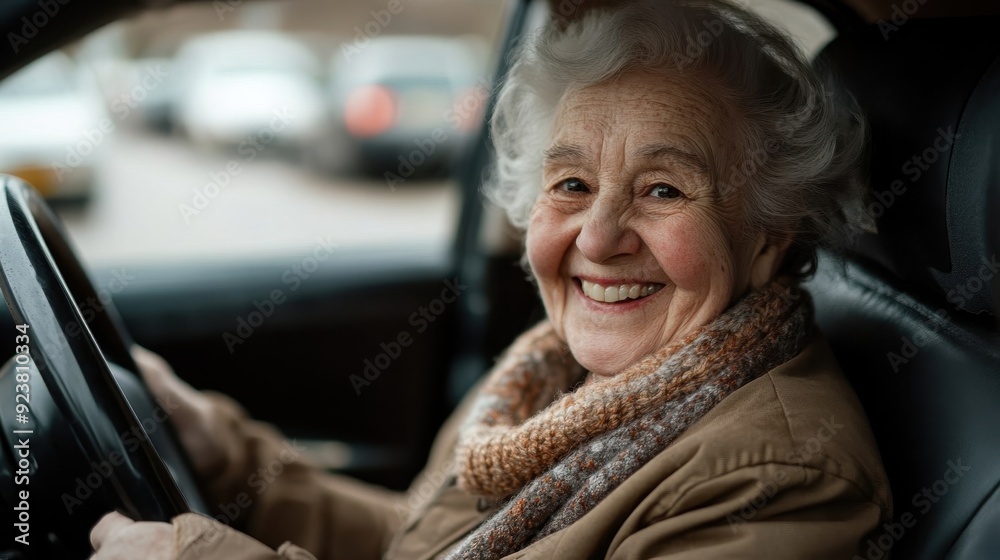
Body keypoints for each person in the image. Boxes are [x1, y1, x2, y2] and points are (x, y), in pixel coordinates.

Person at [89, 0, 891, 558]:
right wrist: (223, 457)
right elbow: (422, 544)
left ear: (767, 239)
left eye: (663, 190)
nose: (600, 238)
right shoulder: (547, 377)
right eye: (571, 185)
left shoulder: (782, 478)